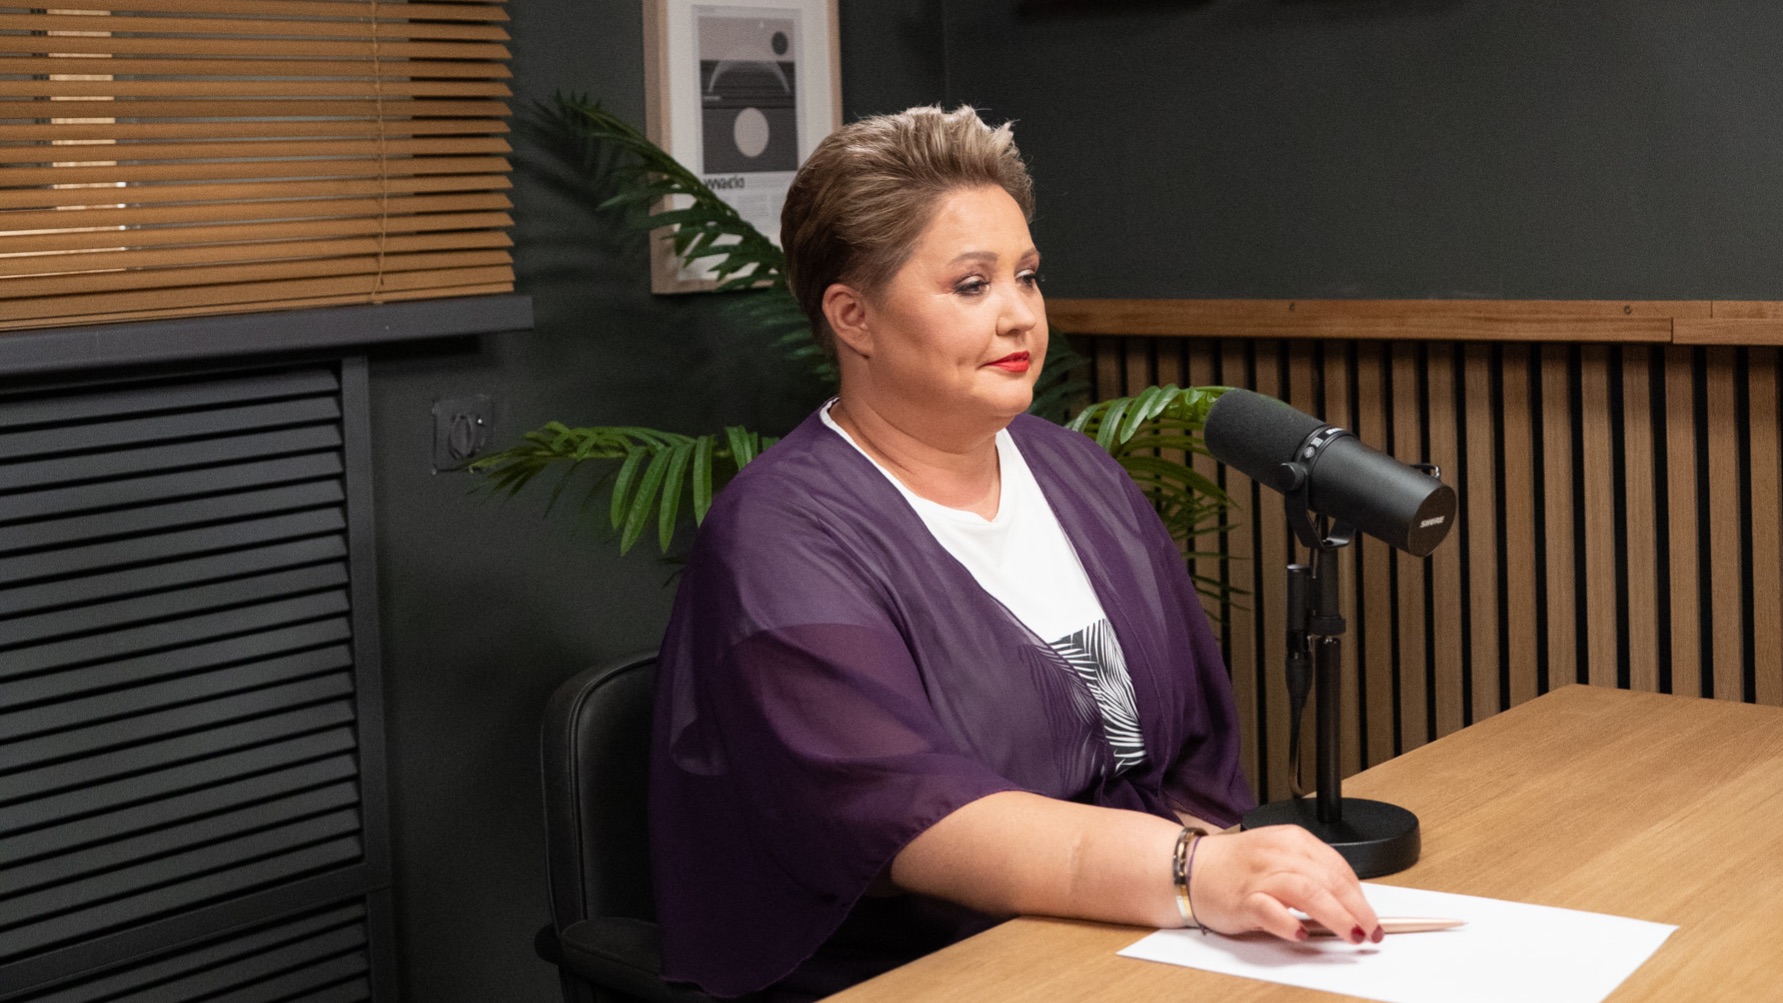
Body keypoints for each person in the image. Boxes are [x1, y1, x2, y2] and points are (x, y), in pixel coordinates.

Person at [649, 105, 1378, 1000]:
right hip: (922, 972)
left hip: (1138, 937)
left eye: (1026, 277)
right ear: (853, 316)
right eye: (971, 285)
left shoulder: (1075, 470)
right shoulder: (779, 536)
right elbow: (914, 815)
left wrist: (1221, 892)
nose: (1019, 316)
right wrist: (1191, 874)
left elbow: (1189, 750)